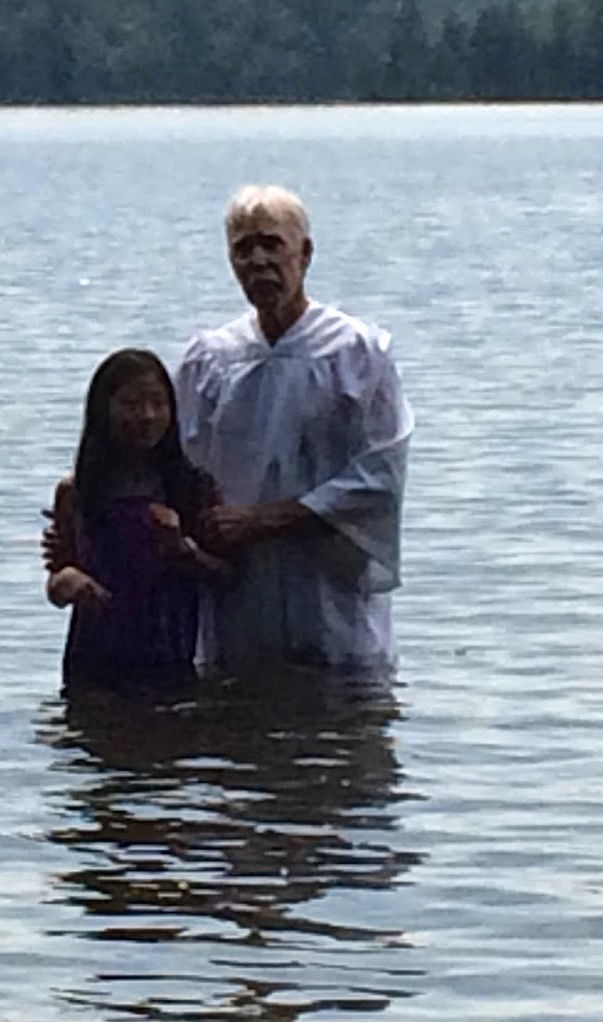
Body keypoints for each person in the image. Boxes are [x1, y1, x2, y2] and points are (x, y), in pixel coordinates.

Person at [177, 184, 412, 676]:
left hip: (328, 589)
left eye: (271, 243)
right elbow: (175, 462)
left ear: (304, 253)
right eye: (243, 249)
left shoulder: (355, 352)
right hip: (238, 591)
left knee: (339, 729)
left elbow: (380, 476)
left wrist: (267, 519)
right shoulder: (211, 359)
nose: (259, 260)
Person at [45, 348, 231, 689]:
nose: (147, 416)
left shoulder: (190, 487)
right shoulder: (78, 492)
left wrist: (182, 549)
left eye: (158, 403)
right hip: (93, 658)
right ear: (104, 411)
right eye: (131, 404)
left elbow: (228, 576)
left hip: (169, 655)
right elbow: (58, 582)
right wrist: (67, 580)